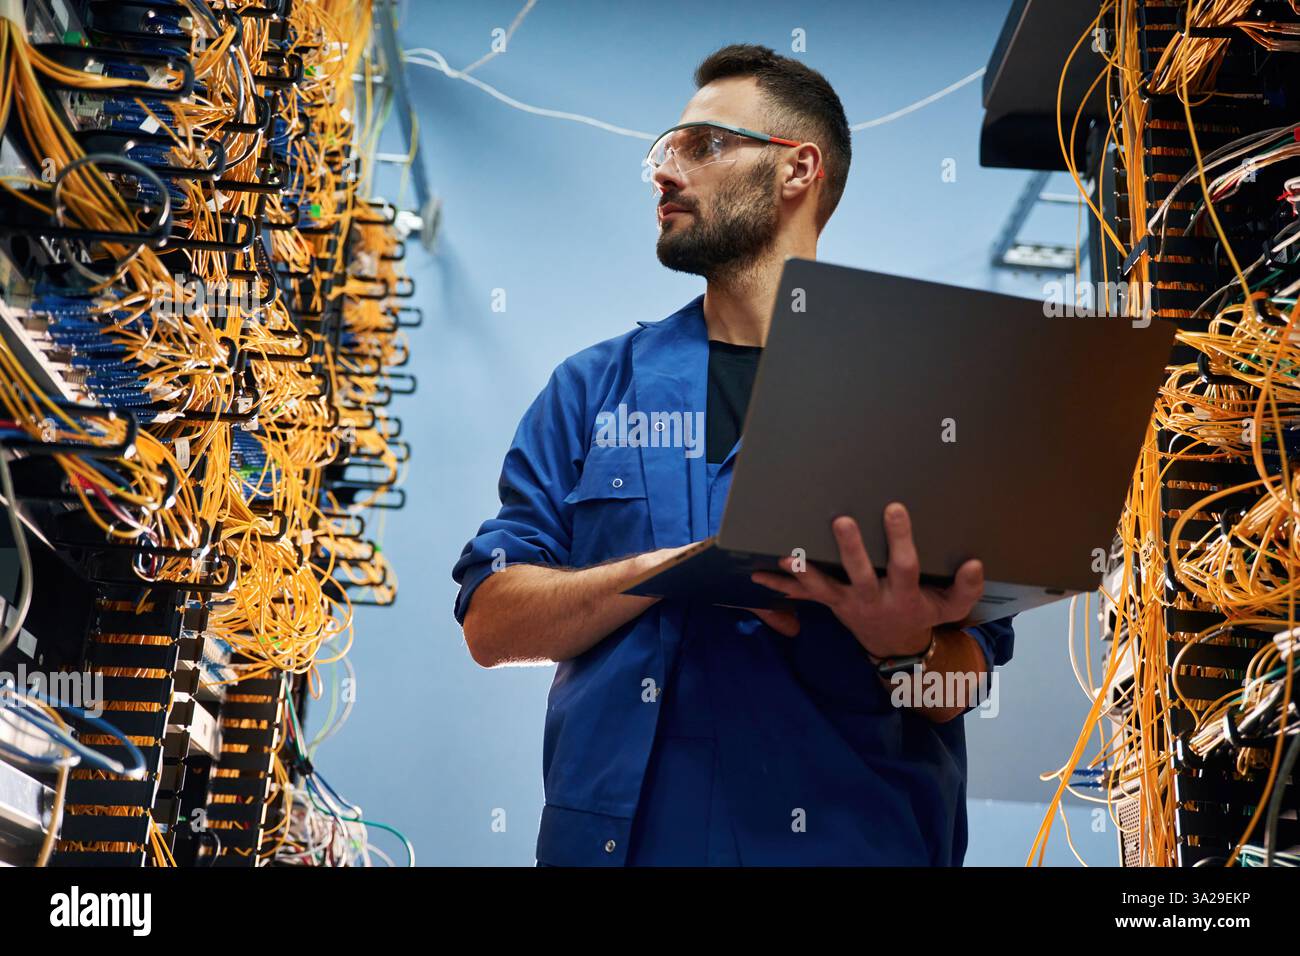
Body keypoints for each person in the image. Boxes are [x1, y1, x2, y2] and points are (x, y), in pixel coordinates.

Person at [452, 43, 1014, 866]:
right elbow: (492, 623)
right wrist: (672, 569)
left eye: (703, 145)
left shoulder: (924, 395)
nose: (665, 173)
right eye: (663, 153)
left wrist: (903, 645)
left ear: (798, 170)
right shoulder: (592, 389)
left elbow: (964, 682)